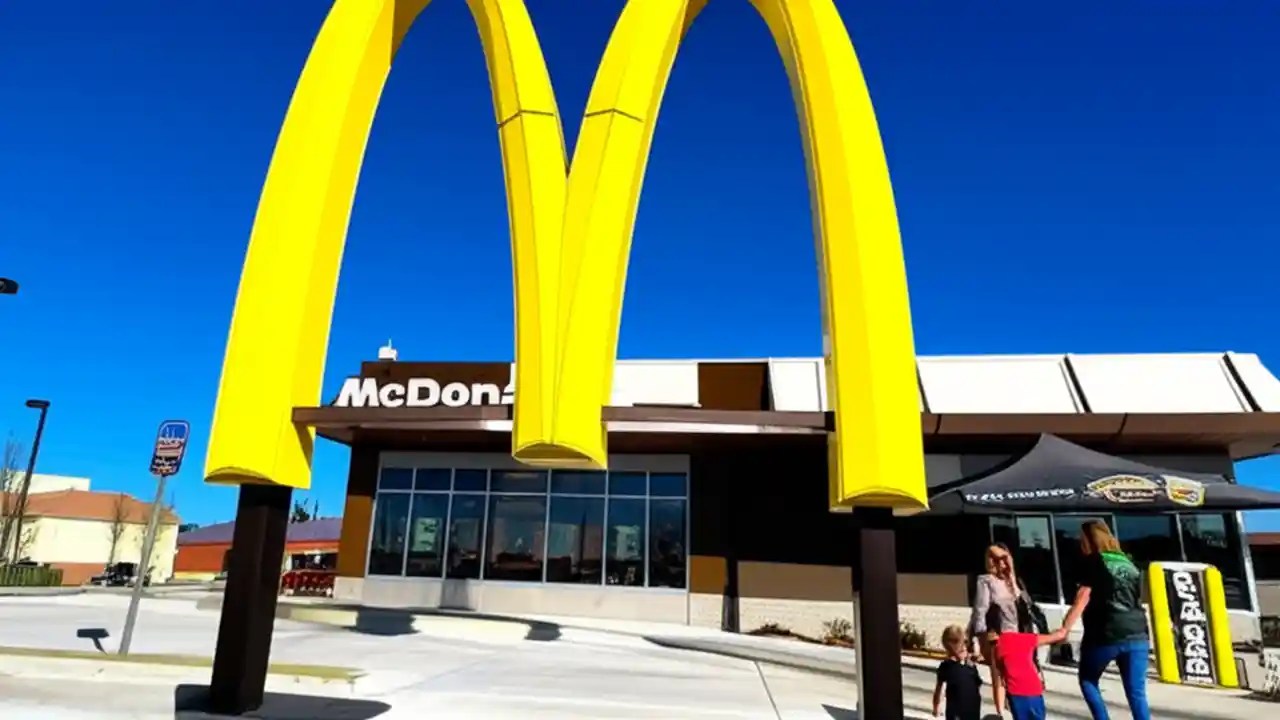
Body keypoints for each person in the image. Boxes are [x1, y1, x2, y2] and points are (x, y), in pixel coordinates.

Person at [1058, 520, 1151, 720]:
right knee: (1137, 693)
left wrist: (1064, 629)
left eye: (1081, 538)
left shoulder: (1094, 561)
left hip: (1106, 632)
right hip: (1137, 633)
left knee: (1088, 680)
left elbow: (1083, 596)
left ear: (1090, 539)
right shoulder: (1129, 563)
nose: (1079, 542)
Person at [969, 544, 1026, 716]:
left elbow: (1021, 604)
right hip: (997, 634)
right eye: (995, 558)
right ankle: (1001, 713)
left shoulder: (1013, 581)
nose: (1000, 562)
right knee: (999, 675)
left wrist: (1012, 573)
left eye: (1003, 558)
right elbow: (980, 610)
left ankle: (1013, 707)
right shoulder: (986, 580)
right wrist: (980, 638)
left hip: (1017, 633)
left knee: (1015, 675)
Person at [996, 626, 1067, 720]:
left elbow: (1000, 677)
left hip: (1015, 693)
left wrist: (1000, 709)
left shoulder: (1000, 643)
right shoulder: (1027, 638)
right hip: (1033, 690)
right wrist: (1065, 627)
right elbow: (1059, 635)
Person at [933, 624, 983, 720]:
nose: (965, 647)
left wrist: (936, 707)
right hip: (964, 710)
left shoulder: (951, 666)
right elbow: (939, 689)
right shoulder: (950, 666)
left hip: (964, 709)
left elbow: (939, 690)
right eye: (964, 643)